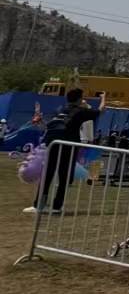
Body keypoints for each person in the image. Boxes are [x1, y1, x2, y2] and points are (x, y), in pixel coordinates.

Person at [30, 86, 104, 216]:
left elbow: (49, 125)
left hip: (53, 145)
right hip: (69, 146)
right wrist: (103, 98)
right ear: (79, 99)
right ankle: (56, 206)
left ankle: (39, 205)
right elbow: (100, 111)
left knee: (47, 176)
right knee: (64, 177)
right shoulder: (81, 111)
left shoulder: (59, 109)